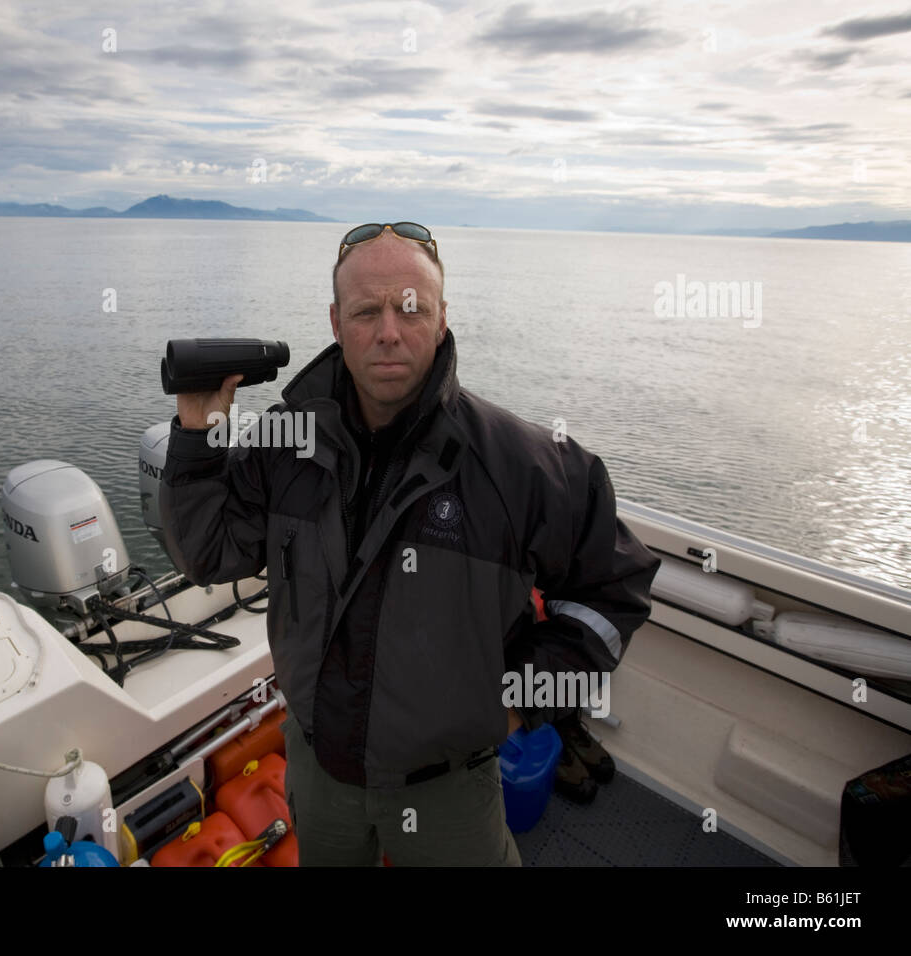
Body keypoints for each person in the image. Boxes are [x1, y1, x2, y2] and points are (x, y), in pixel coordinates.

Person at [159, 222, 660, 866]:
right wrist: (200, 428)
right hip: (317, 771)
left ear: (443, 316)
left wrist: (519, 701)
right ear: (336, 324)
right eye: (367, 311)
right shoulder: (284, 445)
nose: (389, 330)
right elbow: (208, 554)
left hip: (448, 790)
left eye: (411, 307)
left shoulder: (523, 466)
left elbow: (613, 590)